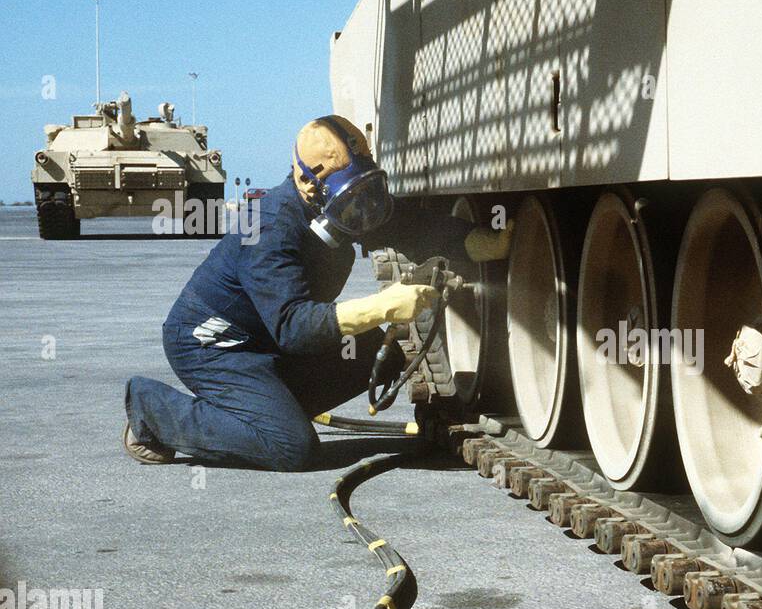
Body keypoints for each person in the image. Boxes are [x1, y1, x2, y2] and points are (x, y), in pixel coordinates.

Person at [122, 115, 506, 471]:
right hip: (214, 346)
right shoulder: (269, 226)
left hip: (267, 341)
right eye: (352, 195)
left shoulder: (344, 204)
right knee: (290, 447)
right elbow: (294, 326)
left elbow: (414, 226)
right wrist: (383, 306)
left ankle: (265, 409)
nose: (364, 207)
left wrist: (482, 243)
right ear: (309, 183)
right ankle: (152, 410)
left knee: (375, 354)